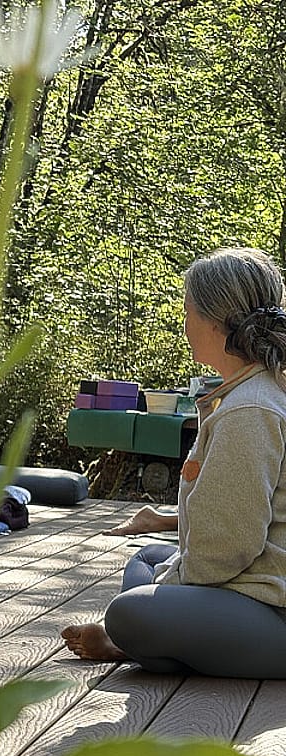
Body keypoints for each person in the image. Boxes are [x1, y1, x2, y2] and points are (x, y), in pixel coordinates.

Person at [61, 247, 286, 678]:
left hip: (273, 612)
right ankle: (157, 642)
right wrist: (165, 579)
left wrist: (161, 590)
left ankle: (134, 640)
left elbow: (226, 550)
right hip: (255, 585)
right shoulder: (252, 391)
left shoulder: (250, 409)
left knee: (128, 612)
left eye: (188, 312)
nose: (184, 324)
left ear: (217, 321)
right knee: (146, 558)